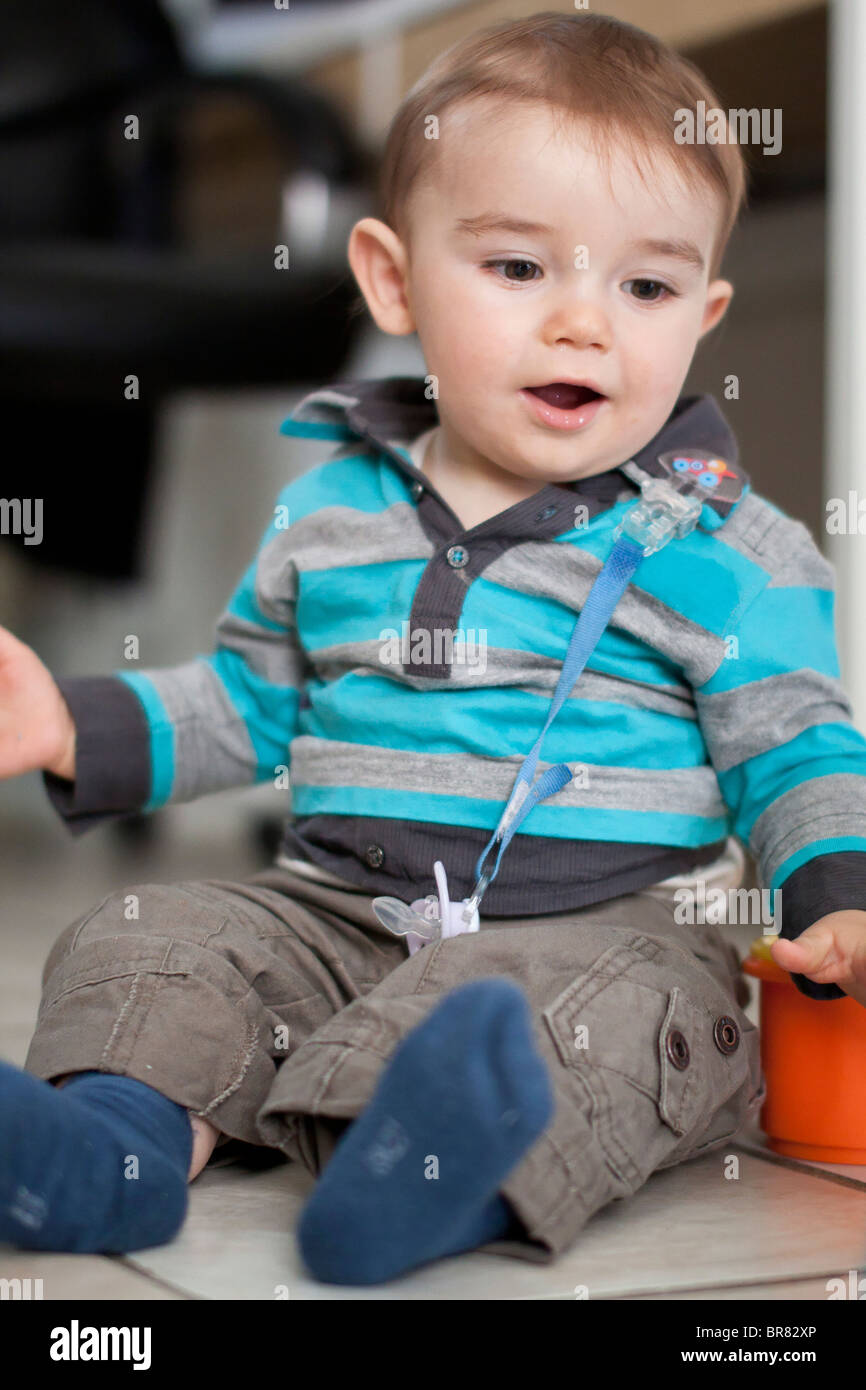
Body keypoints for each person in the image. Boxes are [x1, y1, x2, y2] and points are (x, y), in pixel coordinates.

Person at [2, 11, 866, 1288]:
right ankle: (111, 1153)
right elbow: (249, 701)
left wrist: (834, 894)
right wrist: (67, 726)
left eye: (643, 286)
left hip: (603, 930)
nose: (585, 323)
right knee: (153, 938)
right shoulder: (332, 515)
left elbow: (793, 743)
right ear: (394, 279)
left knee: (593, 1018)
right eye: (519, 268)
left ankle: (418, 1174)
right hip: (338, 911)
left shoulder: (726, 545)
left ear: (702, 310)